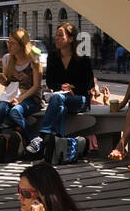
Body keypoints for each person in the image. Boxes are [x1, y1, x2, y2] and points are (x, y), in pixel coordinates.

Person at [27, 22, 96, 152]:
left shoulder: (83, 59)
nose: (56, 38)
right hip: (60, 98)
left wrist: (72, 89)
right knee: (60, 105)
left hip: (79, 99)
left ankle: (41, 136)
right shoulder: (53, 57)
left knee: (58, 100)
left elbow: (89, 84)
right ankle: (57, 147)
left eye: (60, 35)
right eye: (56, 35)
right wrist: (61, 87)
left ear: (70, 39)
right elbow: (51, 82)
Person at [0, 29, 43, 151]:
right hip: (11, 96)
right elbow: (9, 84)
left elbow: (36, 86)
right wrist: (4, 81)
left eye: (12, 43)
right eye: (8, 42)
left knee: (14, 112)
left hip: (31, 98)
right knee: (0, 109)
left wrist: (20, 99)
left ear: (21, 44)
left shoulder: (34, 60)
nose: (8, 45)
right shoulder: (7, 59)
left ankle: (34, 137)